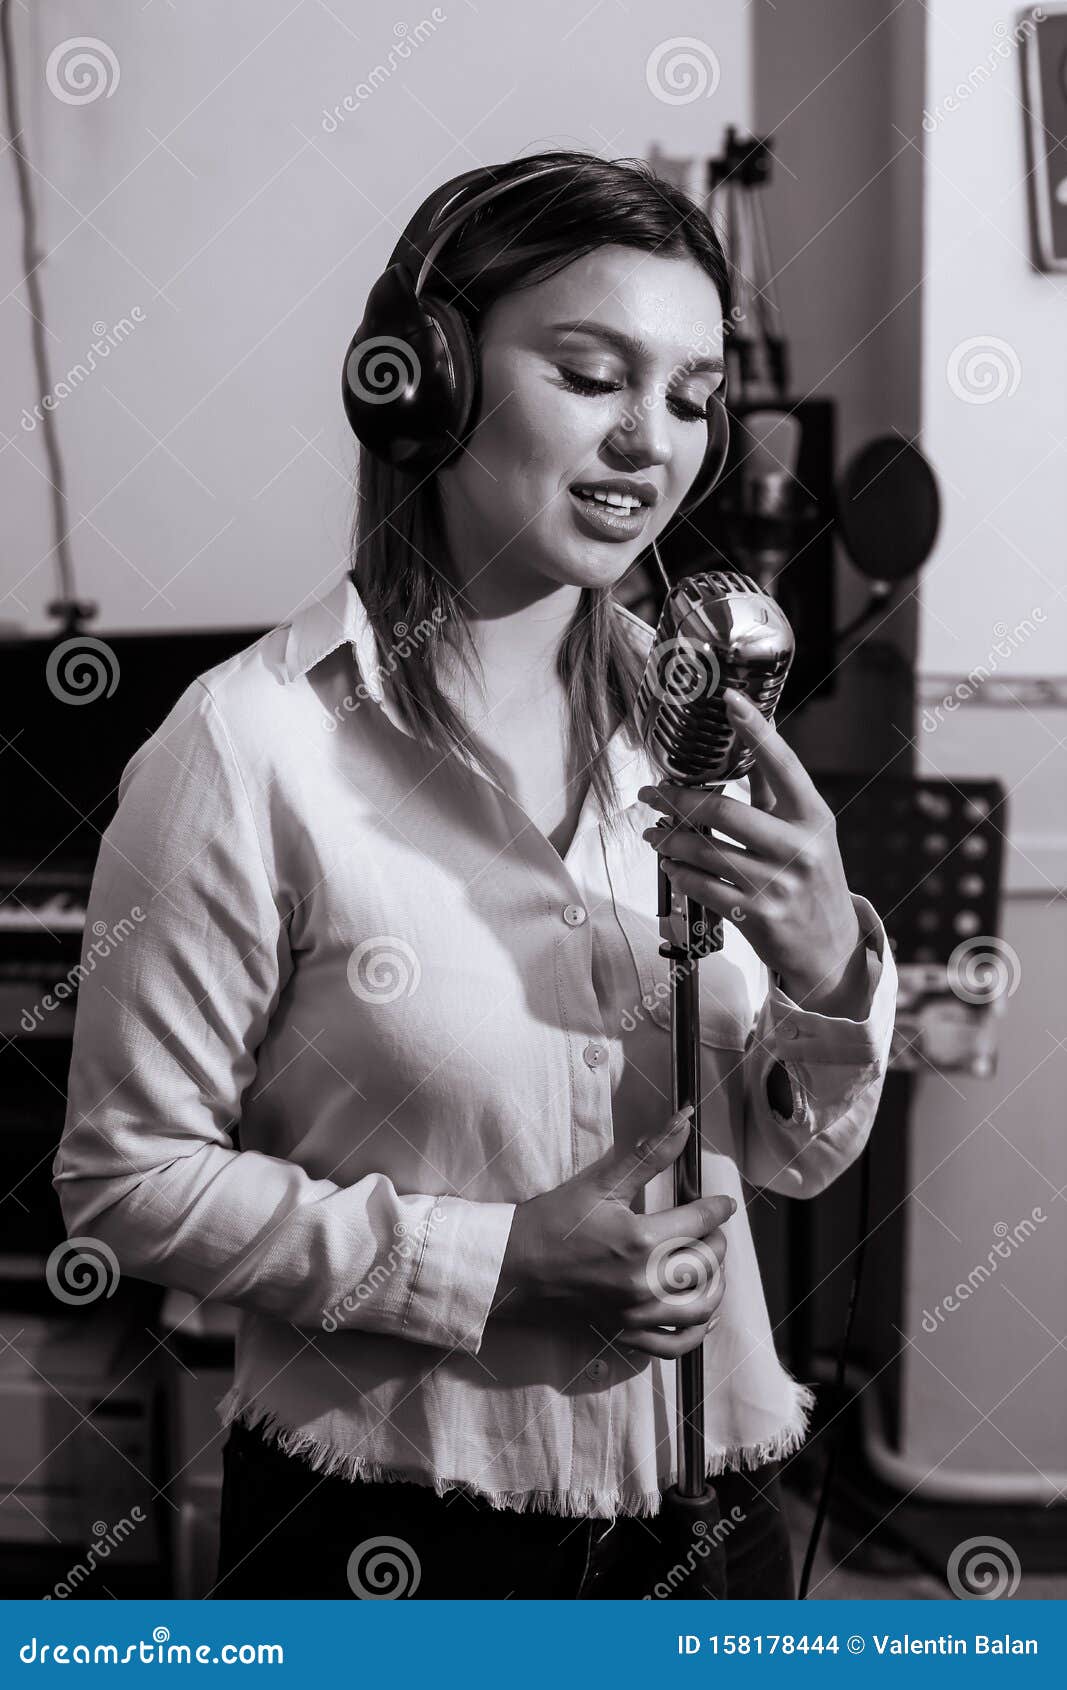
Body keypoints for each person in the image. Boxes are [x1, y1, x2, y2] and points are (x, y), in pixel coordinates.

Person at [53, 150, 897, 1600]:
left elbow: (789, 1152)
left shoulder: (692, 720)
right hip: (392, 1540)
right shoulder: (248, 746)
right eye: (592, 375)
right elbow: (124, 1179)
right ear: (425, 383)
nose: (650, 441)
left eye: (691, 397)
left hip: (718, 1512)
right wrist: (494, 1263)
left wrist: (829, 971)